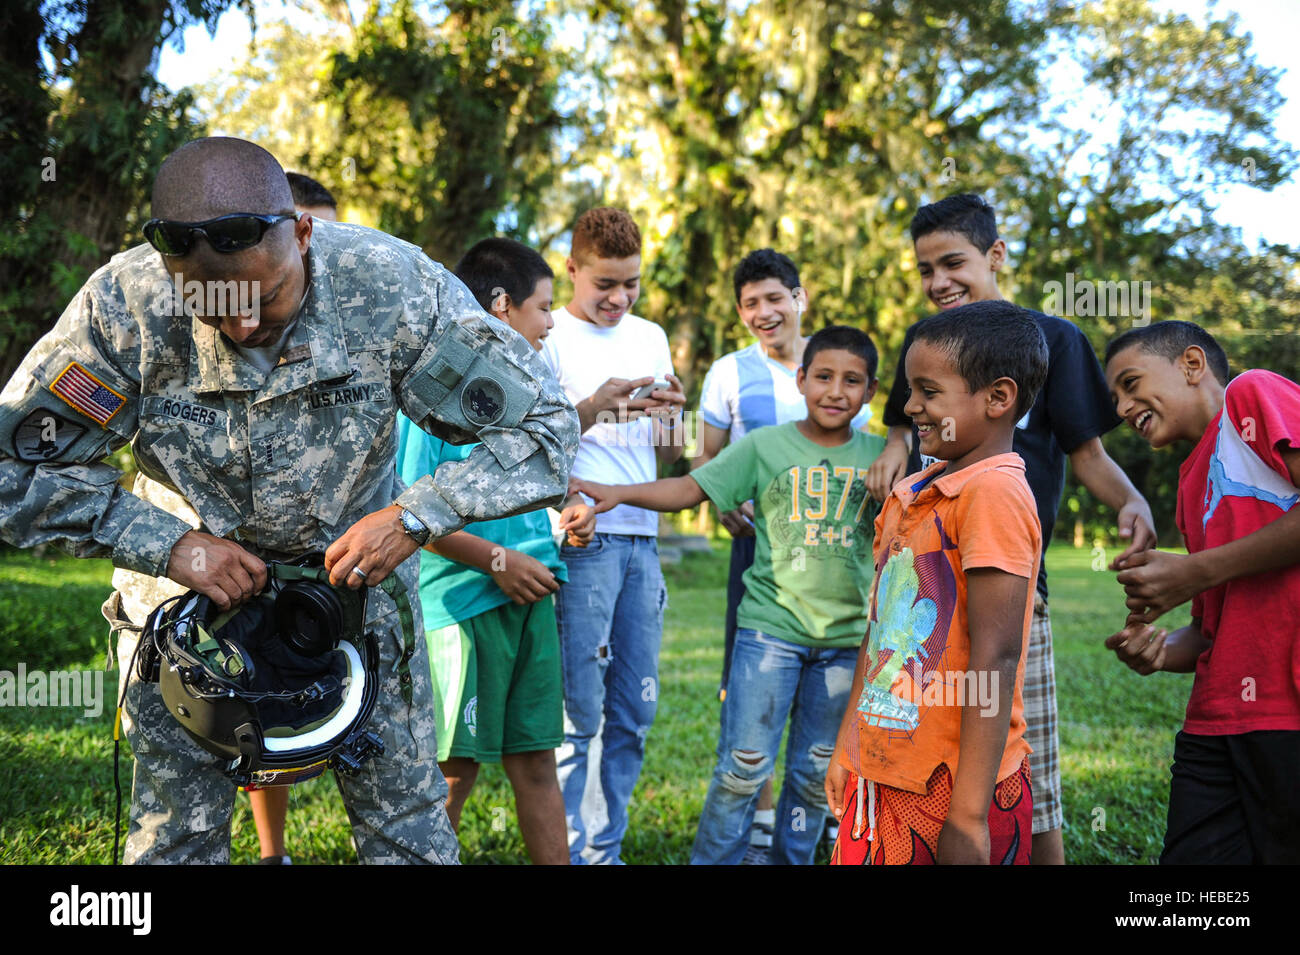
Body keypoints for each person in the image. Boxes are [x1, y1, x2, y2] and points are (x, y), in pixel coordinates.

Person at [0, 137, 579, 864]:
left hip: (358, 602)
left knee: (410, 833)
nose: (243, 327)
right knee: (174, 842)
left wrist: (415, 514)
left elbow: (548, 426)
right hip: (185, 616)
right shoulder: (126, 308)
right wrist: (168, 544)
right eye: (215, 308)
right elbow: (11, 468)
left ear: (303, 233)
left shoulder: (389, 286)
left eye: (266, 296)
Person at [866, 193, 1157, 864]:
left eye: (953, 262)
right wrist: (887, 458)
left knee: (1028, 771)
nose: (938, 281)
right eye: (924, 269)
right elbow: (896, 434)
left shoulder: (1053, 341)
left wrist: (1132, 500)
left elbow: (1088, 453)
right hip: (925, 590)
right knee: (923, 751)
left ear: (996, 255)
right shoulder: (926, 342)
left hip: (1012, 588)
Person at [576, 325, 885, 864]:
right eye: (824, 377)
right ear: (801, 379)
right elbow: (690, 488)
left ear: (871, 392)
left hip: (844, 644)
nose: (837, 391)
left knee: (815, 774)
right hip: (769, 636)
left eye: (852, 381)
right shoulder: (765, 446)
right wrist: (620, 492)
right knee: (742, 768)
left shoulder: (882, 459)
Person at [826, 301, 1049, 865]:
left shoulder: (992, 493)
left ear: (999, 398)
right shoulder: (912, 493)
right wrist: (846, 748)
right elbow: (878, 637)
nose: (909, 406)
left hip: (953, 788)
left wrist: (970, 815)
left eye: (928, 391)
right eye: (909, 389)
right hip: (881, 768)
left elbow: (996, 657)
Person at [395, 237, 594, 865]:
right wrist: (498, 562)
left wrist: (563, 516)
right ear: (502, 307)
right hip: (463, 608)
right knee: (453, 770)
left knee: (537, 760)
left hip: (531, 598)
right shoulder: (429, 401)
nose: (553, 320)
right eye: (543, 306)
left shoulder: (527, 394)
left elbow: (524, 488)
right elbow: (407, 514)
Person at [694, 249, 872, 862]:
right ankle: (748, 834)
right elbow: (706, 466)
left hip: (841, 586)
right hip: (762, 559)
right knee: (748, 723)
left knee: (816, 755)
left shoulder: (840, 364)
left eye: (775, 298)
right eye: (750, 304)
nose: (764, 312)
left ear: (799, 298)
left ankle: (797, 838)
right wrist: (721, 504)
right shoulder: (728, 373)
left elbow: (879, 471)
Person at [1102, 321, 1300, 864]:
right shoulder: (1192, 484)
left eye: (1131, 383)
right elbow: (1211, 630)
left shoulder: (1250, 396)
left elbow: (1206, 574)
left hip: (1288, 713)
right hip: (1215, 720)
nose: (1121, 408)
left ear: (1192, 365)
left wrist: (1196, 570)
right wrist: (1160, 651)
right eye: (1114, 397)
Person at [539, 207, 686, 864]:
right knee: (582, 710)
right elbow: (536, 442)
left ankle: (607, 846)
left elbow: (667, 448)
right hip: (582, 541)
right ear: (572, 269)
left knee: (632, 708)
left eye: (631, 284)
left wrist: (675, 420)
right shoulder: (549, 338)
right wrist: (597, 401)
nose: (619, 298)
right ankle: (574, 848)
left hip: (642, 538)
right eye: (605, 284)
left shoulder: (650, 336)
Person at [245, 168, 339, 865]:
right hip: (232, 564)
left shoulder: (351, 317)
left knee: (314, 698)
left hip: (330, 557)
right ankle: (270, 852)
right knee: (238, 706)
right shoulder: (235, 311)